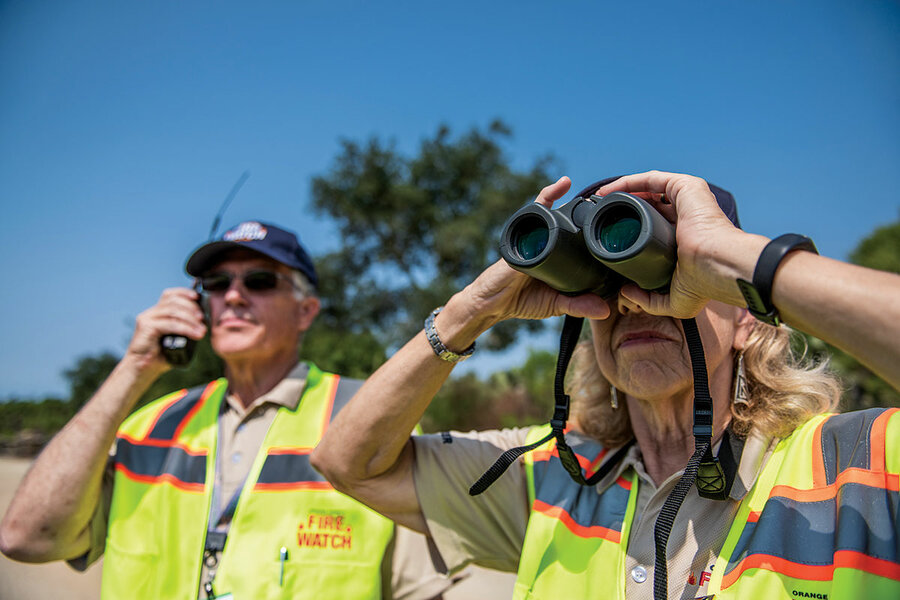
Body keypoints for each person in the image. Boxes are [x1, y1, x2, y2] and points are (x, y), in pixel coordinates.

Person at [310, 171, 900, 600]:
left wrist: (725, 254)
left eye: (665, 276)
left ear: (747, 317)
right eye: (606, 284)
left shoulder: (859, 467)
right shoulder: (556, 484)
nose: (636, 304)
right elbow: (350, 463)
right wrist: (472, 310)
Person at [0, 220, 453, 600]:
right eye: (217, 284)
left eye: (258, 281)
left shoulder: (369, 412)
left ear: (306, 311)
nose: (233, 297)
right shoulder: (148, 425)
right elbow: (26, 538)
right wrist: (134, 369)